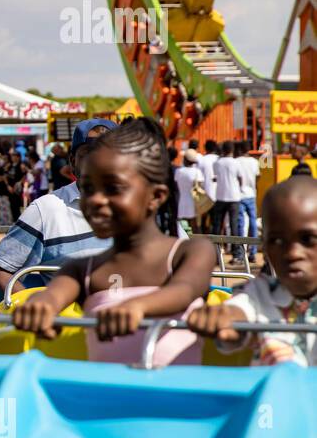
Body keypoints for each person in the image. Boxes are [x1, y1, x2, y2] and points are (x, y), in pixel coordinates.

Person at [11, 119, 216, 366]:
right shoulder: (81, 271)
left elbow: (184, 290)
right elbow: (54, 295)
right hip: (107, 397)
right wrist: (41, 306)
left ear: (156, 196)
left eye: (113, 188)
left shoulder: (192, 252)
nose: (96, 200)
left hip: (180, 398)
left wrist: (137, 307)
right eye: (88, 187)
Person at [188, 176, 317, 365]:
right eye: (277, 241)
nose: (292, 253)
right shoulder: (260, 293)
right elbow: (241, 309)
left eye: (308, 239)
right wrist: (226, 317)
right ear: (264, 245)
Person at [0, 118, 116, 297]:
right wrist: (38, 309)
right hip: (74, 323)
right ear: (72, 161)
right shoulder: (46, 210)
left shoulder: (138, 205)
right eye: (88, 154)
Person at [212, 140, 244, 262]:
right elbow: (240, 178)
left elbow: (216, 177)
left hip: (220, 196)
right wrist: (239, 188)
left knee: (217, 225)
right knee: (234, 225)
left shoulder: (217, 163)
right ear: (232, 150)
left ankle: (215, 253)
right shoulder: (236, 163)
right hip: (234, 197)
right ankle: (237, 254)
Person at [237, 141, 260, 265]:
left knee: (241, 224)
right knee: (253, 223)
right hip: (252, 194)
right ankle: (253, 252)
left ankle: (241, 253)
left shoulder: (237, 162)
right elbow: (258, 177)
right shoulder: (254, 162)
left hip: (240, 195)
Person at [173, 148, 205, 237]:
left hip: (182, 201)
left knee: (183, 227)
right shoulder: (197, 172)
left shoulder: (179, 171)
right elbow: (200, 187)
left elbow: (176, 185)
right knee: (195, 227)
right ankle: (196, 244)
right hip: (194, 203)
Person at [197, 139, 220, 233]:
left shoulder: (201, 160)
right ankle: (217, 244)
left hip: (205, 194)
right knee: (216, 222)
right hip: (217, 195)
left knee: (203, 221)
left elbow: (198, 178)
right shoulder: (219, 159)